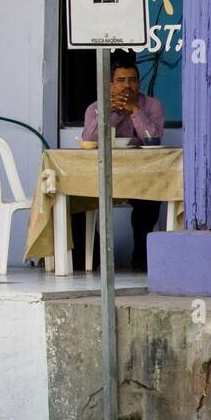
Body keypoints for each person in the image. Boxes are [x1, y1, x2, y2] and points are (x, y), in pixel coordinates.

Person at [82, 51, 165, 270]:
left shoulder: (151, 105)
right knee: (77, 199)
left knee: (149, 201)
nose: (127, 85)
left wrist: (135, 111)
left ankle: (141, 260)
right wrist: (112, 112)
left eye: (132, 80)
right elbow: (90, 139)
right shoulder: (96, 108)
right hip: (103, 176)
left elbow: (153, 141)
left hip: (139, 176)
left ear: (138, 83)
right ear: (110, 84)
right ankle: (88, 260)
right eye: (120, 80)